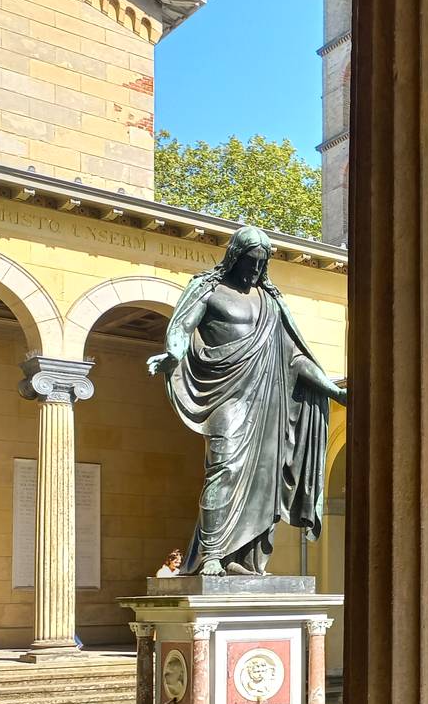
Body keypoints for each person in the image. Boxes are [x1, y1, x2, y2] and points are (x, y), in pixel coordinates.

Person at [146, 226, 347, 576]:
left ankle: (246, 560)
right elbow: (182, 326)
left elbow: (296, 359)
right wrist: (173, 353)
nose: (255, 269)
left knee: (267, 480)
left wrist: (334, 390)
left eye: (261, 263)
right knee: (223, 467)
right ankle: (211, 554)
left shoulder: (271, 302)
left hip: (268, 403)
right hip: (227, 394)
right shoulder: (209, 288)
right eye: (250, 261)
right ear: (236, 256)